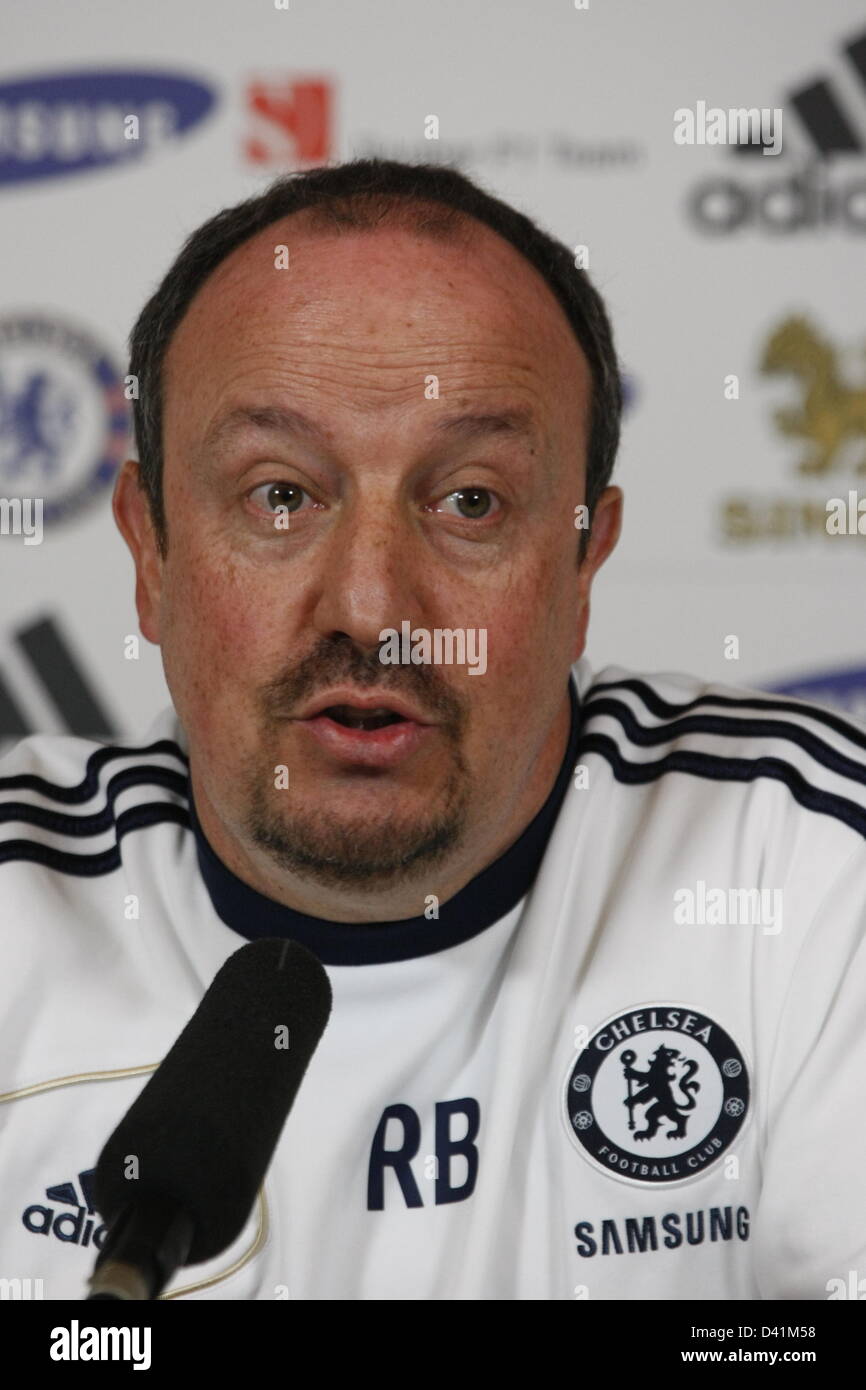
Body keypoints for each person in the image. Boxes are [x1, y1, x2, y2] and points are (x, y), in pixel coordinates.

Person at [1, 158, 864, 1301]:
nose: (369, 607)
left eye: (469, 501)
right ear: (149, 552)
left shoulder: (806, 869)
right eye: (278, 495)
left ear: (579, 565)